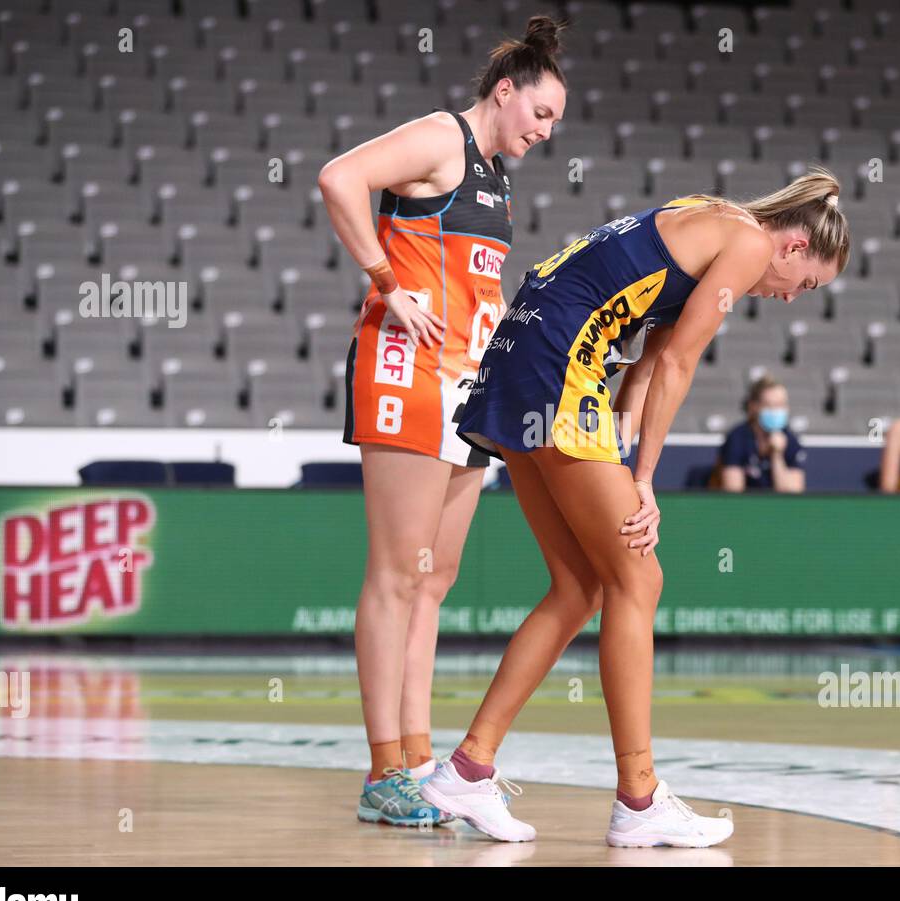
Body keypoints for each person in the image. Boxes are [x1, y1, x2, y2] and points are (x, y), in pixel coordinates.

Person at [418, 169, 849, 845]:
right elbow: (679, 362)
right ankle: (639, 798)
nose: (793, 298)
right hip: (559, 363)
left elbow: (648, 355)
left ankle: (467, 769)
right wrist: (644, 476)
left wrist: (621, 436)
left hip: (522, 356)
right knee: (639, 577)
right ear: (792, 247)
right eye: (807, 283)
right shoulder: (747, 243)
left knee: (582, 585)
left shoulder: (706, 215)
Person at [317, 16, 567, 826]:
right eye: (542, 113)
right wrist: (387, 282)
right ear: (505, 92)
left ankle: (418, 759)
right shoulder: (440, 137)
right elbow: (337, 177)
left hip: (467, 387)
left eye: (555, 121)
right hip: (406, 374)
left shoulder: (497, 173)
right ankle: (383, 766)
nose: (546, 130)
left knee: (434, 579)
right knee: (395, 576)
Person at [718, 374, 807, 492]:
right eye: (769, 405)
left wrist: (777, 455)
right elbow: (733, 490)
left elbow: (792, 494)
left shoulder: (790, 440)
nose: (775, 411)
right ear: (754, 406)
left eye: (780, 405)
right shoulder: (737, 438)